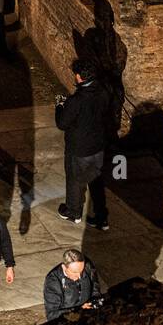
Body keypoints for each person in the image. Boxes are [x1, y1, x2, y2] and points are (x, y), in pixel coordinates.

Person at [55, 59, 112, 230]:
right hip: (98, 146)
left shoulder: (76, 100)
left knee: (75, 180)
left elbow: (62, 124)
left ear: (79, 77)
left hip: (79, 148)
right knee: (95, 182)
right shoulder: (104, 92)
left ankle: (74, 212)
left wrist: (59, 106)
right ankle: (101, 218)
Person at [43, 249, 104, 321]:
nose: (79, 276)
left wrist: (95, 300)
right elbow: (52, 314)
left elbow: (95, 286)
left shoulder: (86, 265)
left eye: (81, 271)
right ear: (64, 267)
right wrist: (79, 310)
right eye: (74, 272)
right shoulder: (53, 281)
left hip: (88, 312)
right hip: (68, 319)